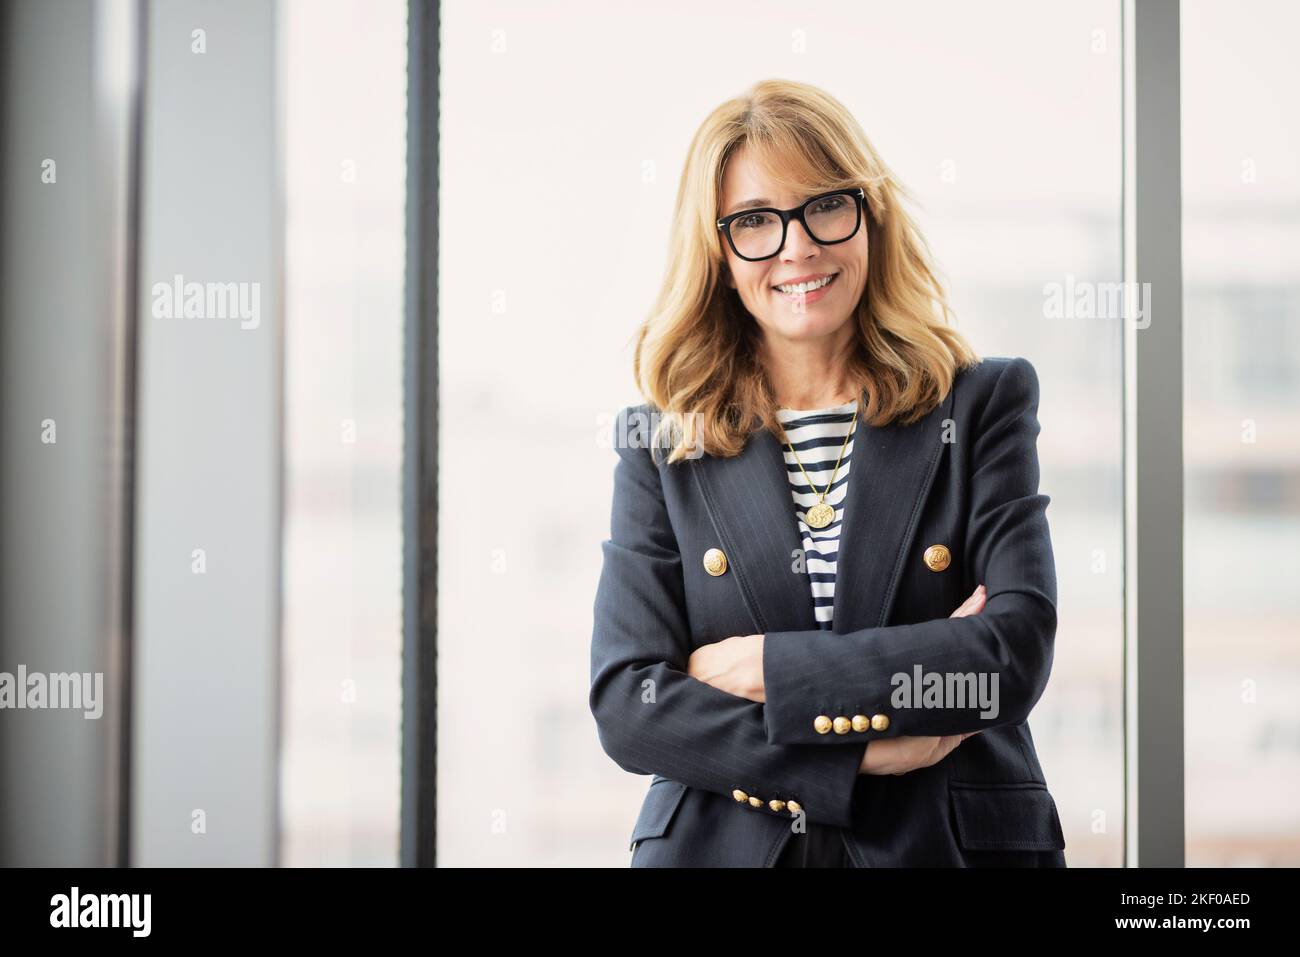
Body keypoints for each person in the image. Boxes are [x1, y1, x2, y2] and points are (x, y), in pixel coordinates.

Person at [589, 78, 1065, 867]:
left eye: (825, 206)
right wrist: (851, 757)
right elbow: (630, 703)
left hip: (945, 845)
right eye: (755, 222)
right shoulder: (661, 437)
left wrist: (763, 668)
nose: (797, 246)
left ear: (869, 215)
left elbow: (1007, 657)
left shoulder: (983, 402)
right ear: (718, 250)